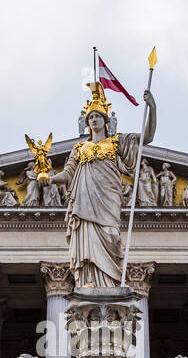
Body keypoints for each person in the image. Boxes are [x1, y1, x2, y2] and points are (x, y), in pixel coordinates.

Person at [41, 82, 156, 288]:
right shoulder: (80, 148)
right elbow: (68, 174)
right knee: (87, 241)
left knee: (111, 236)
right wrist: (48, 179)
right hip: (84, 202)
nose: (94, 120)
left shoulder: (117, 142)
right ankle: (90, 281)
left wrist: (152, 108)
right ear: (87, 123)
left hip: (108, 199)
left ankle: (110, 285)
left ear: (105, 121)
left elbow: (147, 137)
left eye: (97, 117)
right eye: (90, 117)